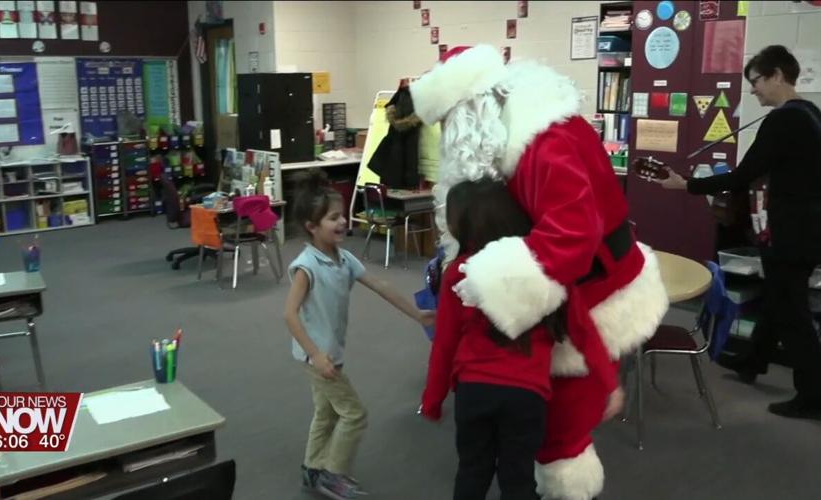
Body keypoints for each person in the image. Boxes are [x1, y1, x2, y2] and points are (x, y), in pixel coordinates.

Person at [410, 45, 669, 499]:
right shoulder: (519, 142)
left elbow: (571, 237)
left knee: (560, 436)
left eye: (448, 122)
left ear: (472, 111)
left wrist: (482, 288)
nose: (448, 136)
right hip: (565, 303)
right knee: (532, 440)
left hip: (594, 294)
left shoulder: (546, 145)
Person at [421, 178, 620, 500]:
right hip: (527, 395)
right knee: (518, 479)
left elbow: (444, 344)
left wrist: (432, 400)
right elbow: (584, 331)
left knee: (472, 472)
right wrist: (609, 382)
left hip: (474, 390)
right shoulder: (545, 269)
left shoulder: (459, 272)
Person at [656, 45, 821, 419]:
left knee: (791, 311)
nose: (754, 90)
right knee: (779, 297)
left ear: (778, 75)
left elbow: (743, 175)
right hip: (808, 230)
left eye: (757, 81)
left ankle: (813, 394)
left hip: (792, 233)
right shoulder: (810, 113)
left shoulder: (782, 121)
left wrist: (687, 186)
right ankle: (752, 361)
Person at [284, 170, 434, 499]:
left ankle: (312, 469)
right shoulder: (307, 266)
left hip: (328, 354)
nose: (342, 222)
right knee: (355, 414)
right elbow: (289, 314)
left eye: (342, 216)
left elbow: (381, 285)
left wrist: (417, 314)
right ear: (312, 226)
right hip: (317, 357)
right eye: (333, 218)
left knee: (326, 413)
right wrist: (316, 354)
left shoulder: (344, 259)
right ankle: (333, 475)